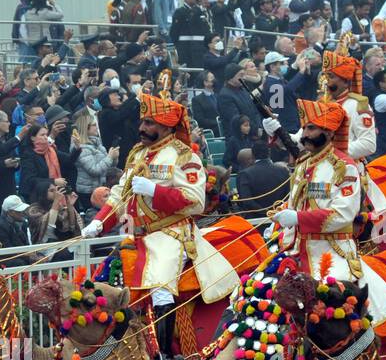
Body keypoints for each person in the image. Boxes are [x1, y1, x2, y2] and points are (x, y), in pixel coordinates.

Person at [82, 93, 223, 323]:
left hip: (171, 233)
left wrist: (154, 191)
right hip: (138, 234)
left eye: (149, 123)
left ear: (166, 126)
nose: (142, 128)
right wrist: (99, 221)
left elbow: (195, 201)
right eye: (142, 122)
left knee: (160, 287)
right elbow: (120, 192)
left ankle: (164, 355)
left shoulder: (183, 155)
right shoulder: (139, 153)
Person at [267, 99, 386, 329]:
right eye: (304, 128)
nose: (304, 134)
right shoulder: (303, 164)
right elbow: (294, 203)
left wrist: (298, 219)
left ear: (329, 132)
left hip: (331, 253)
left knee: (335, 308)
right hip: (296, 248)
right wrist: (281, 220)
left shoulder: (344, 167)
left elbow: (343, 214)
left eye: (311, 128)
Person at [232, 142, 290, 219]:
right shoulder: (283, 170)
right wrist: (277, 211)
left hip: (257, 221)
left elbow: (247, 201)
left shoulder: (245, 174)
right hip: (281, 217)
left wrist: (266, 212)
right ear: (269, 153)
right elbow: (289, 194)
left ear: (253, 155)